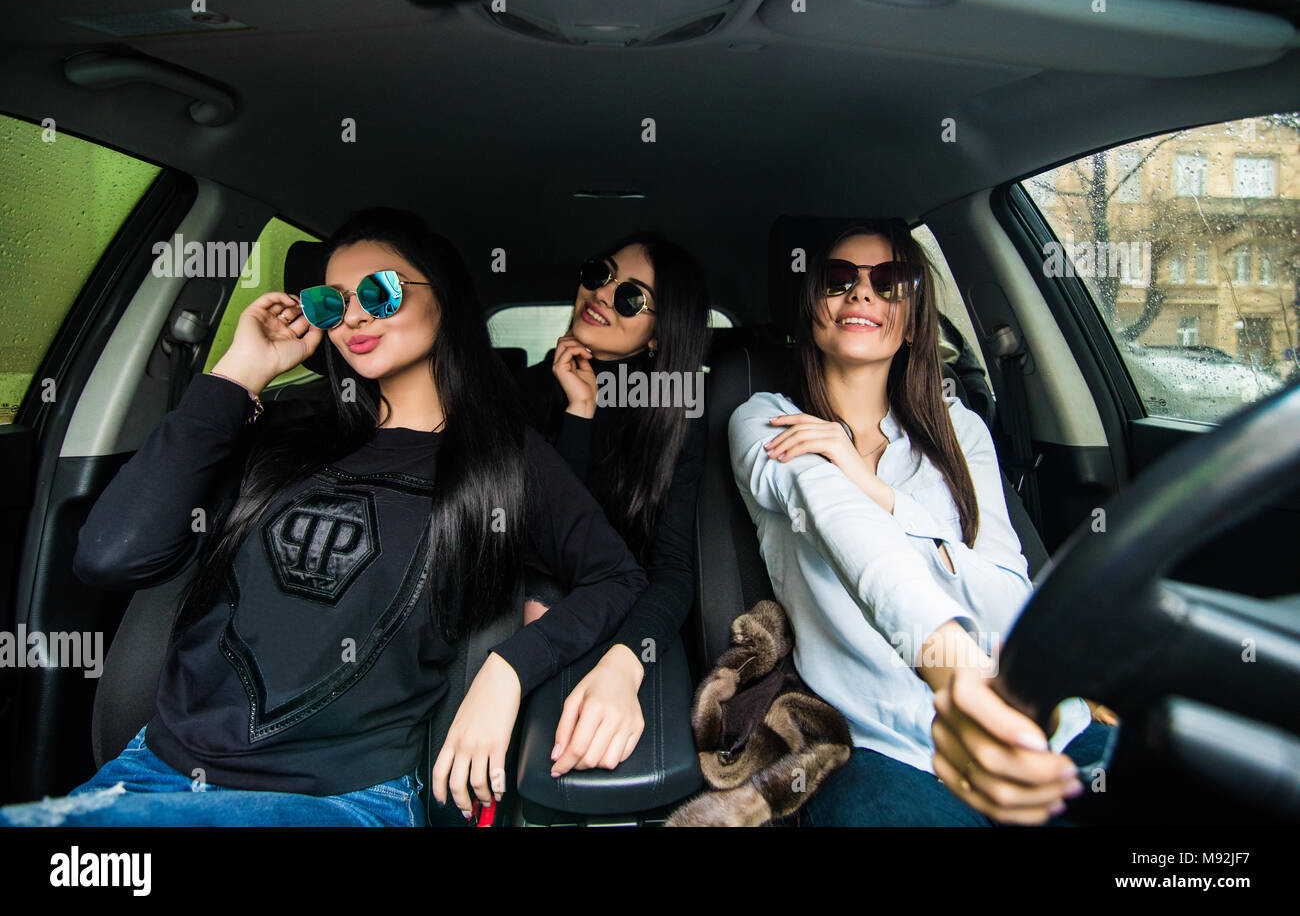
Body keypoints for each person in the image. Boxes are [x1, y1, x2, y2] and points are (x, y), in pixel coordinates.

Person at [0, 208, 646, 827]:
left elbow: (616, 576)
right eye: (330, 302)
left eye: (380, 291)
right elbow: (111, 555)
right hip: (151, 775)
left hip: (342, 800)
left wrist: (507, 669)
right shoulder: (280, 428)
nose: (354, 314)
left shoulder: (505, 457)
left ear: (443, 299)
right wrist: (240, 371)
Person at [728, 218, 1116, 826]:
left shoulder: (959, 433)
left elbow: (1012, 600)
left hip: (1039, 725)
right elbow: (837, 518)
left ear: (911, 321)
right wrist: (955, 677)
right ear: (812, 308)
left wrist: (875, 488)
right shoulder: (767, 420)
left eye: (889, 283)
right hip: (886, 748)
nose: (862, 294)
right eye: (839, 280)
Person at [515, 234, 709, 776]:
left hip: (631, 615)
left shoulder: (674, 411)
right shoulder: (527, 393)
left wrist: (627, 664)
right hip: (528, 608)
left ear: (657, 335)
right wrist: (579, 411)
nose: (601, 294)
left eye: (630, 297)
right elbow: (542, 545)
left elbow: (672, 571)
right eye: (600, 273)